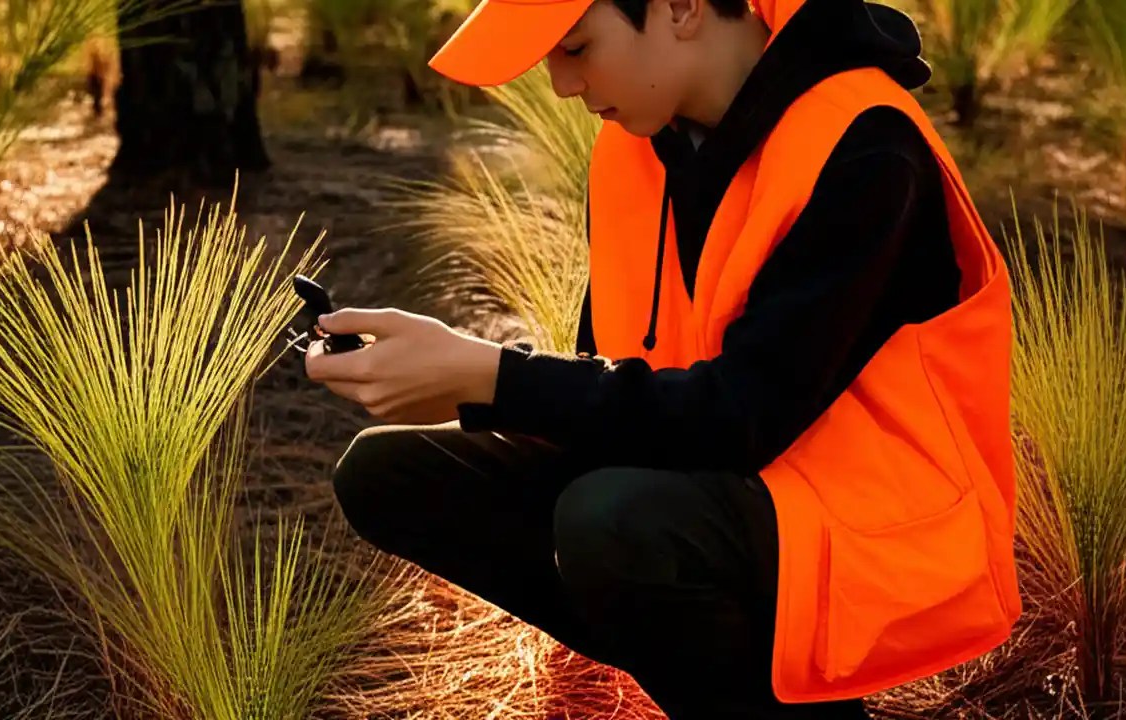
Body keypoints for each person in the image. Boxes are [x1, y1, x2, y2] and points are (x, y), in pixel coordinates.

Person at [303, 0, 1023, 717]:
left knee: (610, 521)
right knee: (385, 473)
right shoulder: (636, 151)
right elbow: (620, 381)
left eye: (576, 48)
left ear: (681, 7)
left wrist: (492, 377)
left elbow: (744, 414)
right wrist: (460, 387)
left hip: (868, 532)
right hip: (714, 483)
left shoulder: (865, 143)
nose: (561, 86)